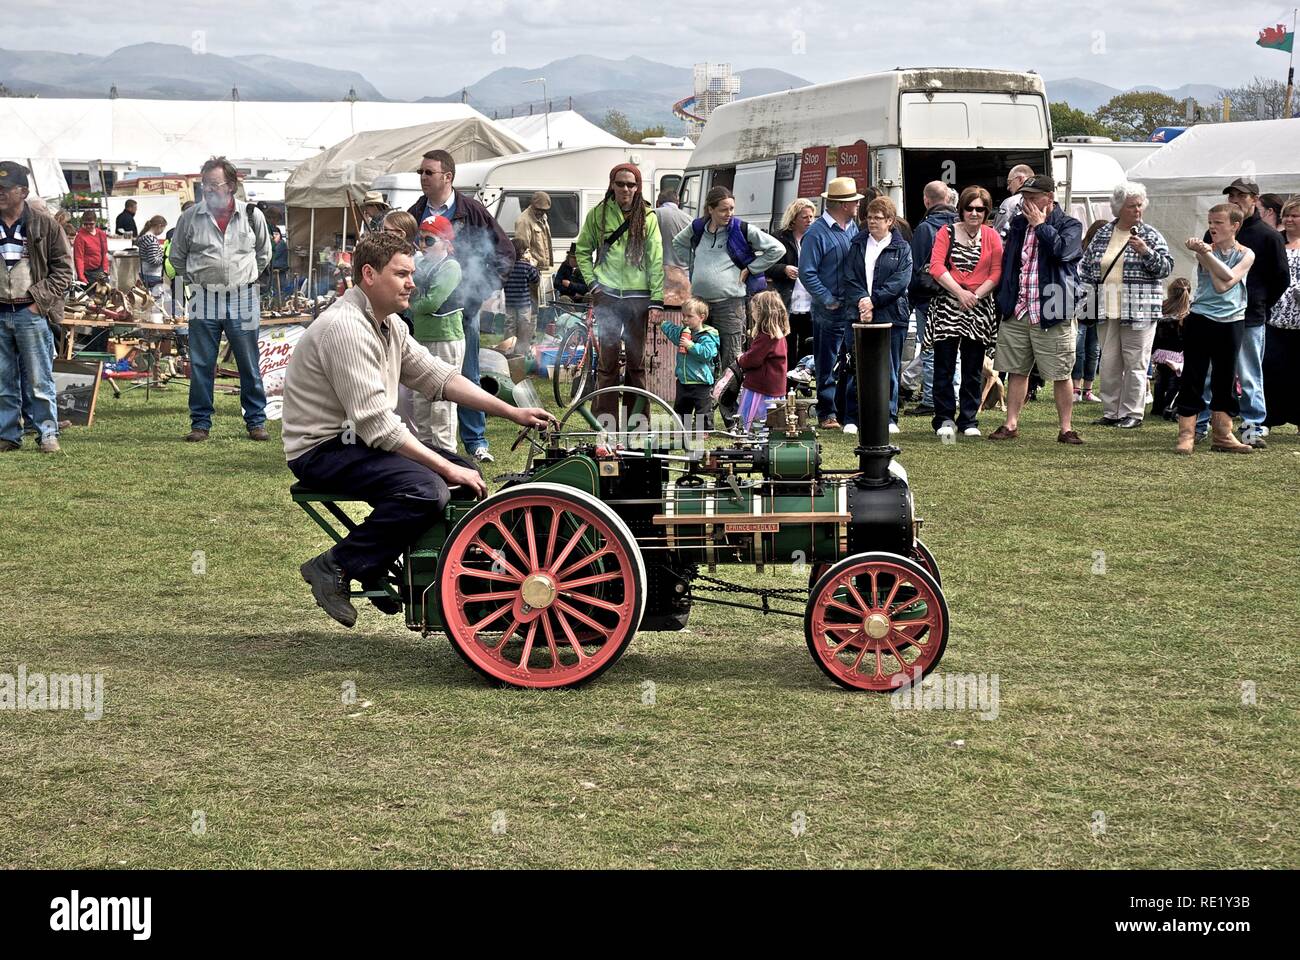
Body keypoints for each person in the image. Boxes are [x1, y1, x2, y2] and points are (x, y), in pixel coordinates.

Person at [282, 232, 553, 628]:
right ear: (369, 275)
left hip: (355, 440)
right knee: (427, 489)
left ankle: (383, 564)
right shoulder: (345, 327)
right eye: (402, 274)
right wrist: (445, 469)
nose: (413, 282)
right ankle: (334, 566)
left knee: (465, 477)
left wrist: (512, 411)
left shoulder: (388, 323)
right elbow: (377, 425)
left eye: (412, 272)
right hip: (322, 450)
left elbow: (438, 376)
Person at [406, 149, 514, 464]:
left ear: (447, 176)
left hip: (462, 310)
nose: (423, 178)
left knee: (467, 374)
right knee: (423, 376)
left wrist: (479, 291)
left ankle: (476, 441)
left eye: (429, 172)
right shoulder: (415, 213)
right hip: (423, 315)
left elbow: (505, 250)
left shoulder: (472, 211)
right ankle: (429, 444)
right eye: (421, 173)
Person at [169, 155, 272, 442]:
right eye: (205, 184)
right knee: (202, 363)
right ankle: (200, 424)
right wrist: (195, 283)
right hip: (203, 298)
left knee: (249, 362)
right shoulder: (189, 217)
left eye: (215, 184)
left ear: (231, 185)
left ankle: (256, 421)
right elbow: (177, 258)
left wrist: (245, 278)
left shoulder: (252, 215)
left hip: (244, 297)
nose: (209, 189)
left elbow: (264, 255)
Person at [671, 185, 784, 424]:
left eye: (731, 208)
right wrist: (694, 264)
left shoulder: (741, 229)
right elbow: (677, 243)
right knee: (701, 358)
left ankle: (731, 417)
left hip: (729, 304)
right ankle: (705, 416)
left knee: (730, 359)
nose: (729, 213)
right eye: (723, 209)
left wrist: (751, 268)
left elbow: (777, 249)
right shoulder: (698, 228)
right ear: (710, 209)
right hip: (700, 304)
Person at [1193, 178, 1289, 448]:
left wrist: (1260, 303)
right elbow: (1204, 269)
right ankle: (1201, 425)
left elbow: (1281, 277)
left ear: (1255, 199)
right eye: (1231, 195)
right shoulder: (1213, 232)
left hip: (1249, 316)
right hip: (1213, 315)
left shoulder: (1268, 236)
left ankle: (1252, 428)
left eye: (1241, 196)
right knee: (1208, 374)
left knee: (1248, 374)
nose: (1235, 200)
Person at [989, 175, 1085, 444]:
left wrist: (1041, 226)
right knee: (1017, 370)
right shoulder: (1018, 225)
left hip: (1052, 310)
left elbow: (1062, 253)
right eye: (1025, 197)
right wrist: (1004, 299)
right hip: (1019, 308)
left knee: (1060, 372)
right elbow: (1009, 264)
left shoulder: (1070, 225)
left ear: (1049, 198)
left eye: (1033, 197)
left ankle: (1066, 428)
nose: (1027, 202)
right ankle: (1010, 424)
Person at [575, 163, 665, 426]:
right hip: (608, 297)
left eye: (631, 184)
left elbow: (656, 260)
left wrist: (657, 300)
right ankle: (605, 421)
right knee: (607, 363)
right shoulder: (598, 214)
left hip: (639, 298)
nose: (626, 189)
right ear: (612, 185)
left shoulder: (648, 217)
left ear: (638, 188)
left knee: (637, 364)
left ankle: (637, 422)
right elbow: (581, 250)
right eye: (620, 183)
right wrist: (593, 284)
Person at [1078, 181, 1174, 430]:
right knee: (1109, 363)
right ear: (1119, 208)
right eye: (1132, 206)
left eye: (1140, 205)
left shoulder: (1150, 235)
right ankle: (1111, 412)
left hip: (1139, 310)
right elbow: (1086, 268)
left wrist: (1146, 252)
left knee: (1136, 363)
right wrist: (1083, 297)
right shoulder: (1102, 234)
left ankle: (1132, 412)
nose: (1138, 210)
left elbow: (1165, 268)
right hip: (1105, 309)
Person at [0, 161, 72, 454]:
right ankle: (8, 435)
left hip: (30, 312)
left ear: (23, 191)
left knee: (39, 379)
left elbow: (65, 272)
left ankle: (47, 434)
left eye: (5, 189)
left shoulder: (45, 224)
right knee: (3, 382)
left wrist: (36, 302)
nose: (0, 194)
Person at [923, 186, 1003, 440]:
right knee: (944, 366)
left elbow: (996, 272)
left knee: (972, 368)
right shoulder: (945, 232)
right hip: (948, 306)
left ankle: (969, 418)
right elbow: (935, 266)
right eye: (970, 208)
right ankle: (944, 417)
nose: (974, 213)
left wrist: (975, 296)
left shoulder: (992, 236)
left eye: (980, 209)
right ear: (962, 209)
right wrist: (960, 293)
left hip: (979, 309)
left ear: (987, 212)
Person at [1173, 205, 1255, 454]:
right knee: (1193, 375)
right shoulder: (1204, 251)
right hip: (1201, 318)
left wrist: (1206, 253)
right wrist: (1204, 253)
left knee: (1226, 377)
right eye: (1210, 222)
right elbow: (1224, 282)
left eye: (1218, 222)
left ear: (1235, 226)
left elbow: (1225, 283)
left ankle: (1223, 434)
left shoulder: (1247, 254)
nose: (1212, 227)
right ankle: (1186, 434)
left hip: (1232, 321)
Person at [842, 195, 913, 435]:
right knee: (856, 366)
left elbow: (900, 282)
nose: (872, 222)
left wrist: (873, 302)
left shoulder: (902, 248)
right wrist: (863, 302)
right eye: (869, 217)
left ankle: (889, 416)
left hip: (892, 314)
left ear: (890, 221)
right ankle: (853, 416)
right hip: (859, 313)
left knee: (890, 368)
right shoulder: (857, 243)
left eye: (878, 218)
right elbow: (850, 276)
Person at [798, 177, 862, 429]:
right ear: (843, 205)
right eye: (854, 201)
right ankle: (827, 412)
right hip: (830, 309)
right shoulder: (817, 233)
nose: (858, 204)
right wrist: (827, 299)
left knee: (847, 361)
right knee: (827, 360)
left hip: (848, 306)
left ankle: (843, 411)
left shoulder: (852, 227)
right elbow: (807, 272)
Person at [409, 215, 464, 451]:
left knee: (443, 400)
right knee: (420, 398)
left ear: (444, 241)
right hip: (422, 336)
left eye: (428, 240)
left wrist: (409, 304)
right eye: (420, 240)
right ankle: (426, 453)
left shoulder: (450, 266)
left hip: (445, 337)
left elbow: (431, 303)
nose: (422, 246)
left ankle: (446, 454)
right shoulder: (421, 264)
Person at [907, 181, 958, 418]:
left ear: (926, 201)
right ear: (948, 199)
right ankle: (953, 396)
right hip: (957, 297)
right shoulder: (962, 225)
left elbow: (916, 268)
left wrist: (915, 297)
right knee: (953, 350)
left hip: (928, 298)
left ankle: (930, 398)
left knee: (929, 349)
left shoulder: (926, 229)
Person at [1263, 196, 1300, 432]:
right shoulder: (1275, 242)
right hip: (1274, 317)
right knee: (1271, 368)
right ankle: (1268, 418)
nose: (1289, 219)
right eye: (1286, 214)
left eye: (1295, 215)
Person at [766, 198, 816, 369]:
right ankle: (788, 381)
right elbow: (766, 266)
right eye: (805, 217)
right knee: (786, 342)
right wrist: (784, 269)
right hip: (787, 299)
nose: (810, 220)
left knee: (808, 342)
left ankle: (804, 376)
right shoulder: (778, 238)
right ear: (793, 218)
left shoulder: (815, 237)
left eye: (811, 217)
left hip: (810, 300)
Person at [660, 296, 719, 433]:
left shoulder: (707, 336)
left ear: (701, 317)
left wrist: (691, 346)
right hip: (683, 380)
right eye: (683, 316)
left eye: (689, 316)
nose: (684, 319)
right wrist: (662, 323)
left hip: (701, 382)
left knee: (703, 410)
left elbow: (708, 354)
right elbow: (672, 331)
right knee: (681, 408)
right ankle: (681, 430)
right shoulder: (683, 333)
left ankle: (704, 430)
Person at [735, 290, 790, 433]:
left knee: (758, 418)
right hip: (774, 386)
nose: (752, 314)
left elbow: (754, 359)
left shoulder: (766, 336)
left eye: (753, 311)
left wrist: (741, 359)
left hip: (761, 387)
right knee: (773, 416)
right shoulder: (778, 335)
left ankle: (753, 434)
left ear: (761, 313)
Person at [1071, 219, 1107, 403]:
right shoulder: (1082, 252)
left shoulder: (1108, 254)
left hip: (1099, 308)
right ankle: (1076, 388)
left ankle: (1087, 389)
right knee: (1078, 349)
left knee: (1094, 350)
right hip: (1082, 306)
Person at [1151, 278, 1190, 420]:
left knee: (1160, 381)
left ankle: (1157, 407)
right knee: (1175, 382)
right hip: (1178, 356)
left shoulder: (1162, 307)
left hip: (1159, 353)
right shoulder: (1187, 313)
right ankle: (1168, 405)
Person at [502, 237, 540, 357]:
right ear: (523, 252)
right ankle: (521, 353)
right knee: (524, 328)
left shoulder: (507, 266)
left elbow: (502, 282)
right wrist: (534, 266)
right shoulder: (526, 266)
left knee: (510, 327)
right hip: (523, 304)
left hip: (509, 303)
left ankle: (508, 351)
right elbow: (536, 279)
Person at [513, 191, 553, 278]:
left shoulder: (543, 217)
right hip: (530, 270)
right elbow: (522, 250)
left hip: (537, 269)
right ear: (532, 205)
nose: (540, 212)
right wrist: (531, 269)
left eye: (543, 210)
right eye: (538, 209)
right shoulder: (523, 221)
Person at [993, 165, 1035, 238]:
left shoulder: (1010, 203)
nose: (1008, 187)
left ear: (1020, 179)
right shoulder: (1043, 201)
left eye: (1009, 182)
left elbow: (997, 233)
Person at [655, 189, 693, 268]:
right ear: (677, 203)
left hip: (657, 272)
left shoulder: (651, 215)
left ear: (657, 203)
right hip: (683, 274)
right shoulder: (689, 219)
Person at [73, 212, 111, 283]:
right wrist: (81, 276)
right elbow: (78, 258)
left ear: (95, 222)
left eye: (91, 224)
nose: (88, 226)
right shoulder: (80, 237)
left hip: (100, 270)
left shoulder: (101, 234)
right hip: (87, 273)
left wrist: (105, 269)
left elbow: (104, 253)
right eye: (85, 224)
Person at [137, 215, 167, 296]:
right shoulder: (152, 240)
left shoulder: (145, 237)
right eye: (163, 229)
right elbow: (153, 260)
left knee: (148, 298)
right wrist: (164, 258)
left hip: (145, 272)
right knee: (157, 300)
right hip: (152, 274)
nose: (162, 232)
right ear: (159, 226)